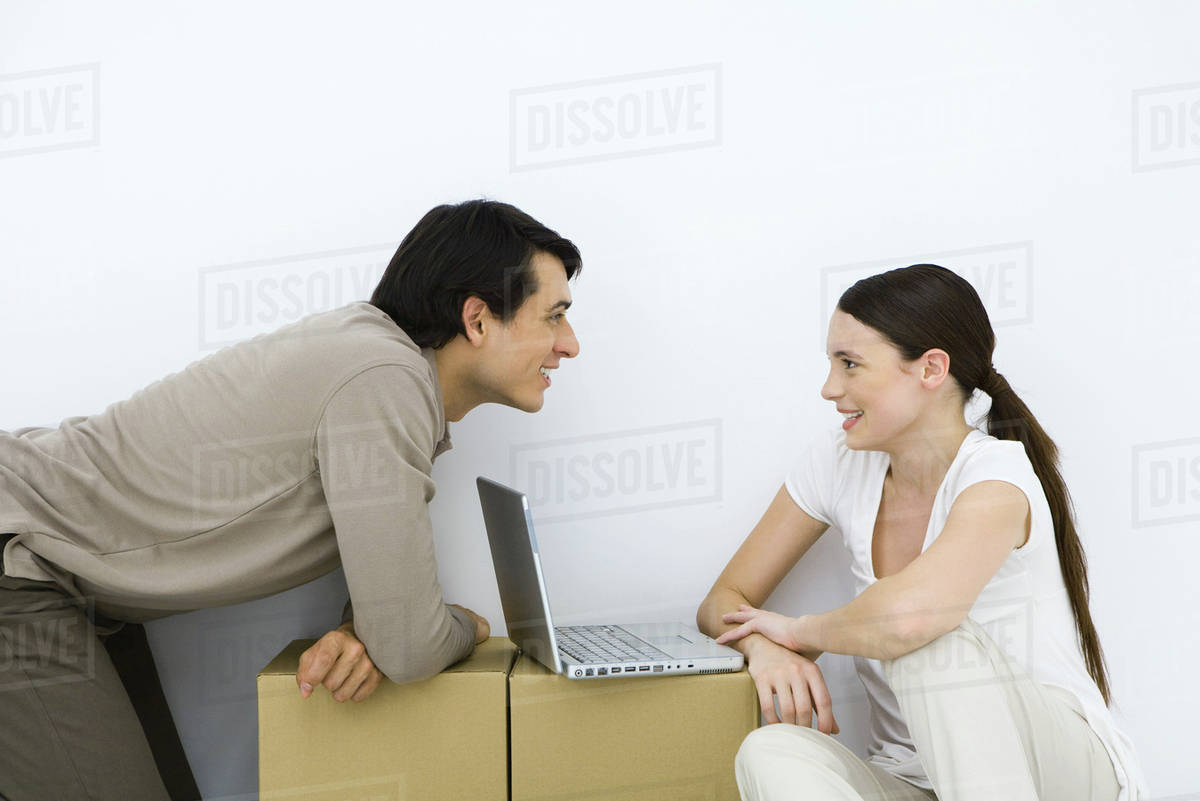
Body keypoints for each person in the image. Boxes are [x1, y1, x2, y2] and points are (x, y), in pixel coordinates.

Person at [0, 199, 582, 801]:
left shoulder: (378, 369)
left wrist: (369, 628)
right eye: (554, 316)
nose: (569, 345)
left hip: (57, 578)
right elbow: (410, 645)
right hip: (17, 561)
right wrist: (468, 625)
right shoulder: (383, 379)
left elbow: (390, 611)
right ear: (478, 319)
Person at [696, 264, 1147, 801]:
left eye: (850, 364)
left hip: (1058, 772)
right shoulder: (838, 463)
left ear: (931, 368)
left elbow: (915, 620)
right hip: (915, 778)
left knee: (932, 643)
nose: (829, 388)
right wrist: (761, 649)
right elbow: (723, 602)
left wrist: (797, 634)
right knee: (771, 752)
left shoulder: (995, 473)